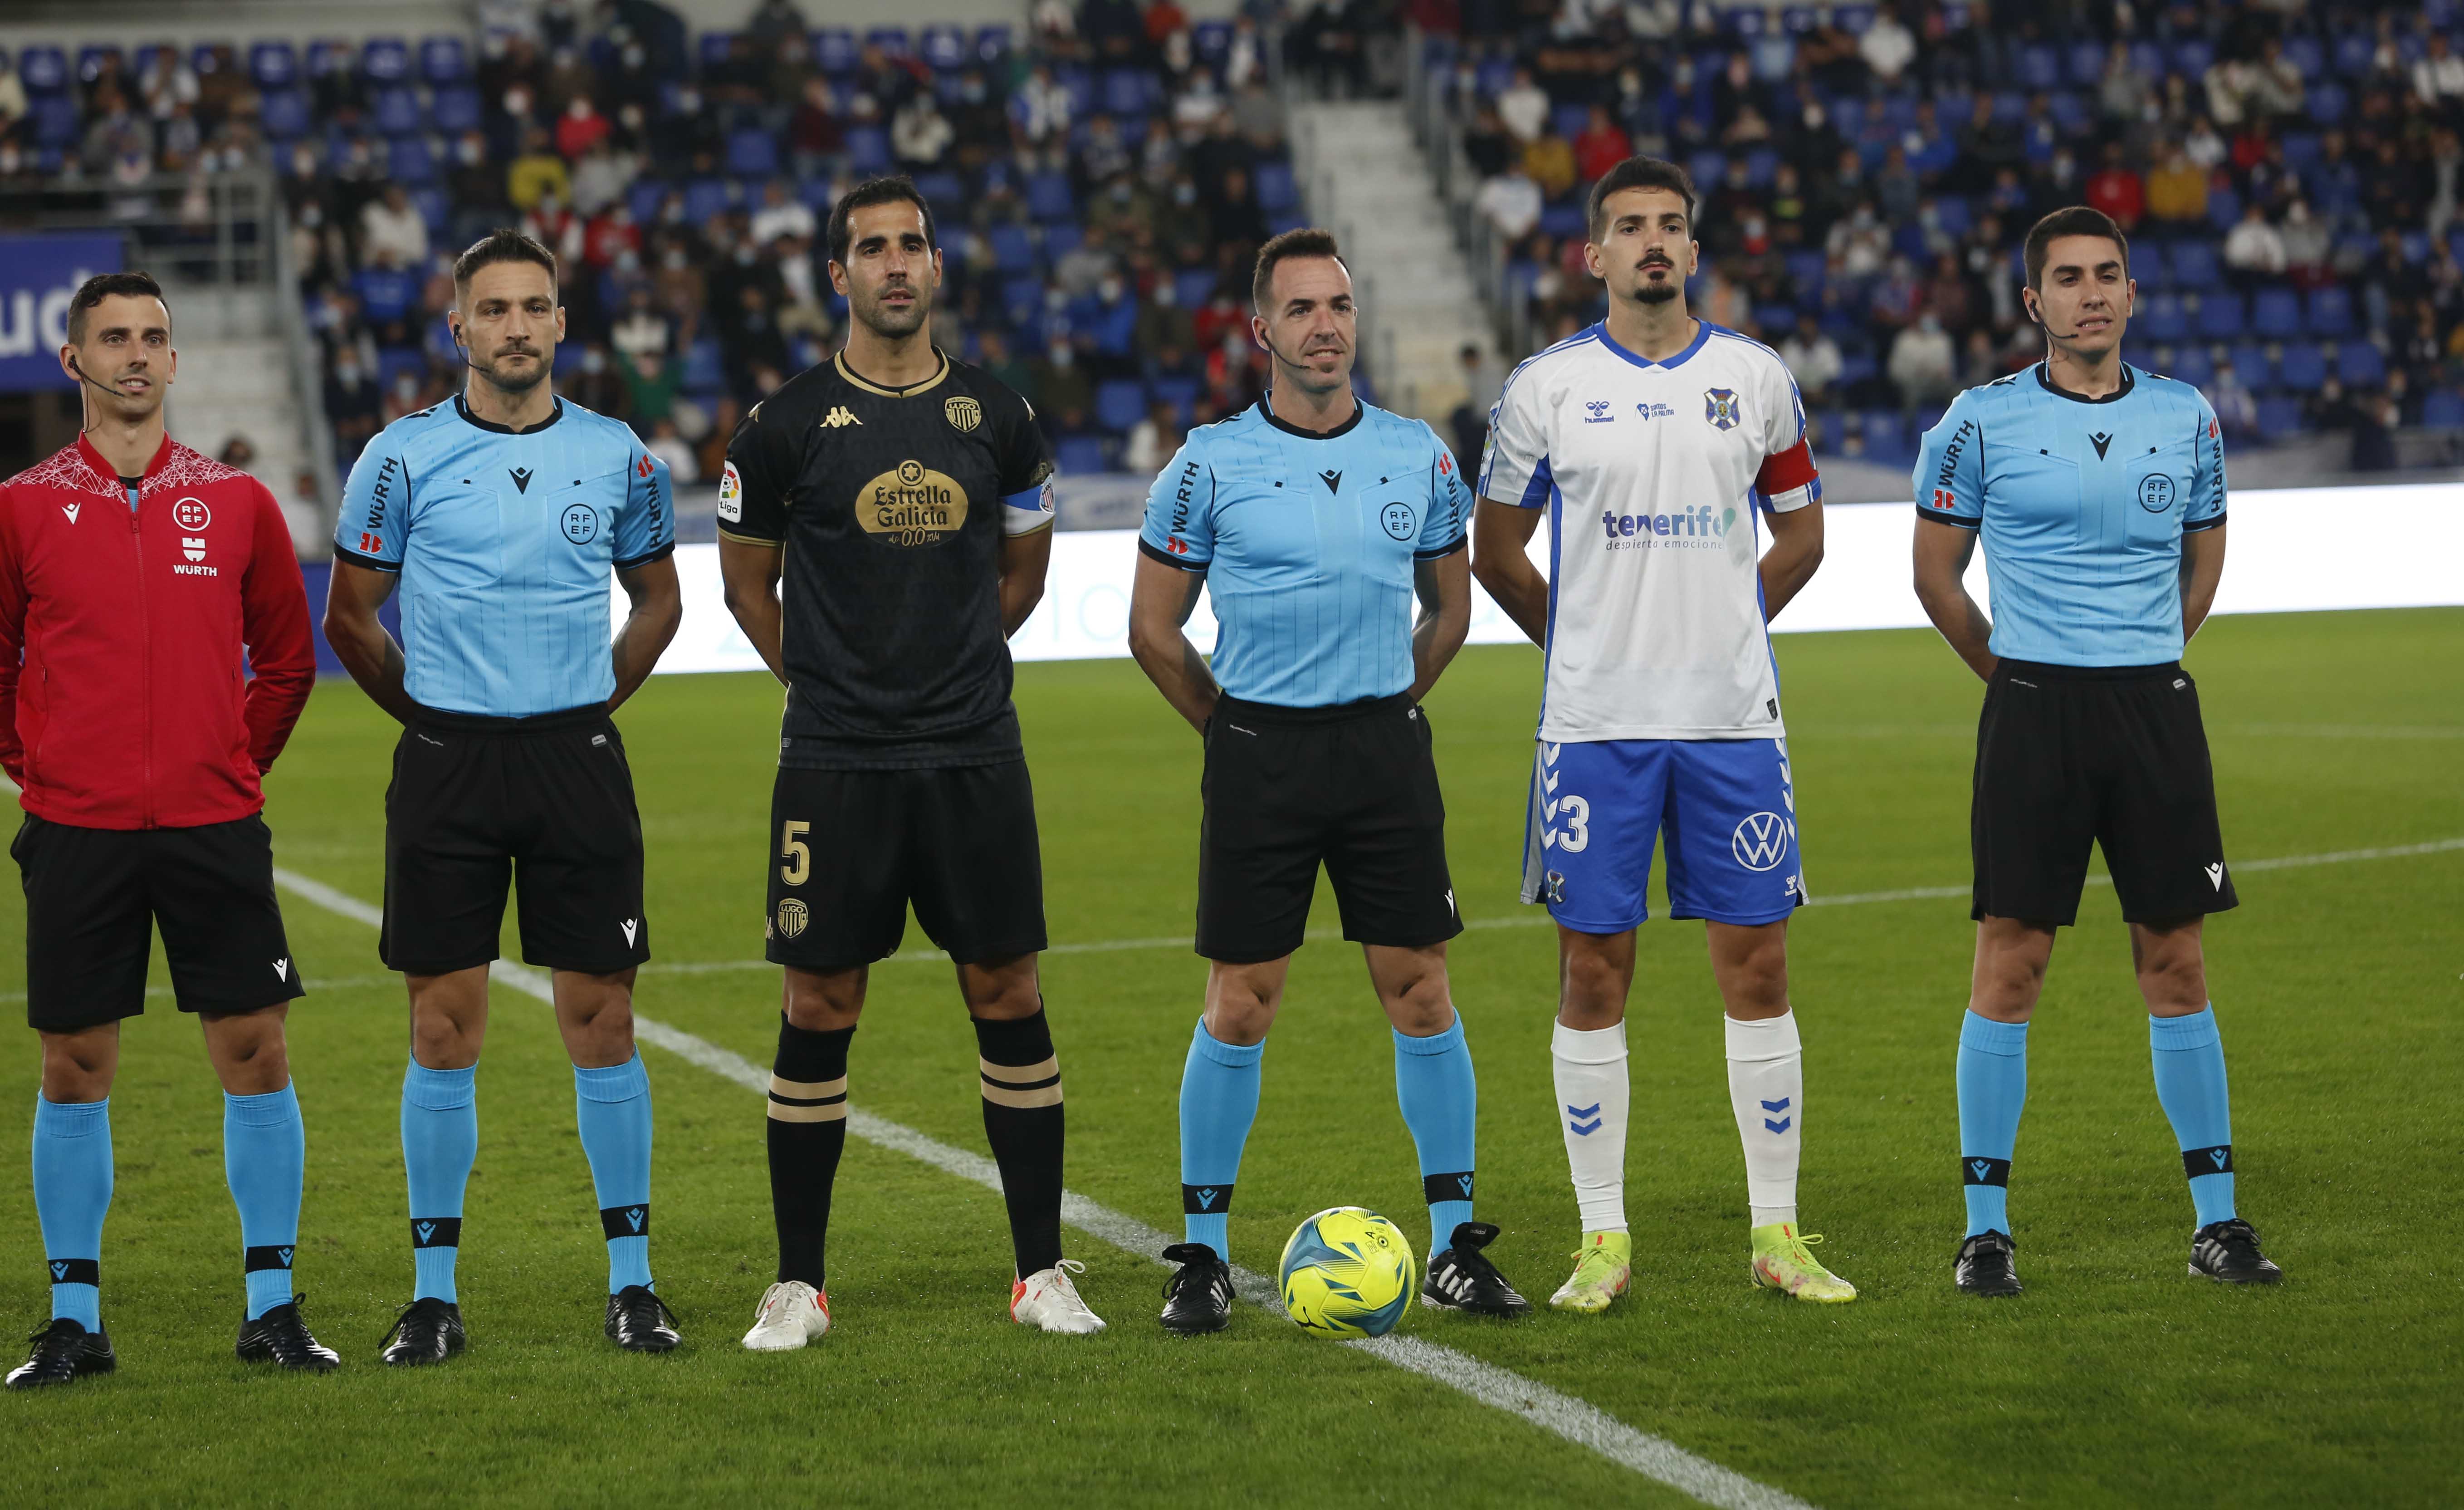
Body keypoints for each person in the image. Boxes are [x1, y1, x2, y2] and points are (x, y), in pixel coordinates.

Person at [717, 176, 1100, 1350]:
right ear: (838, 275)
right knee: (819, 999)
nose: (894, 264)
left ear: (937, 270)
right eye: (871, 248)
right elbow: (745, 585)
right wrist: (835, 684)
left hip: (974, 753)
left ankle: (1041, 1272)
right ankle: (799, 1284)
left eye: (913, 245)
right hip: (835, 764)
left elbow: (1026, 571)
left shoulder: (1001, 416)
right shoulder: (782, 429)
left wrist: (954, 662)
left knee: (1009, 993)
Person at [1469, 157, 1853, 1313]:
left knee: (1760, 964)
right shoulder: (1545, 388)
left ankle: (1776, 1230)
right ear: (1591, 255)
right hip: (1596, 731)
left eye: (1671, 227)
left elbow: (1802, 537)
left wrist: (1724, 630)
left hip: (1733, 723)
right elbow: (1496, 549)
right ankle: (1602, 1235)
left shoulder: (1756, 379)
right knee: (1594, 969)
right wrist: (1581, 643)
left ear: (1693, 253)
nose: (1651, 243)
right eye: (1629, 227)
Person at [1129, 227, 1525, 1336]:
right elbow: (1152, 630)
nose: (1324, 327)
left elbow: (1450, 607)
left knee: (1423, 990)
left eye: (1338, 307)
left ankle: (1454, 1244)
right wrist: (1231, 729)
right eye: (1300, 309)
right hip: (1261, 752)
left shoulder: (1418, 454)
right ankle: (1201, 1254)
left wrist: (1396, 700)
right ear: (1261, 329)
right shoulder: (1207, 461)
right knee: (1241, 1001)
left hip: (1382, 753)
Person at [323, 230, 685, 1363]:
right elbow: (350, 613)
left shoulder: (620, 454)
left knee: (604, 1021)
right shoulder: (399, 456)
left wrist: (587, 705)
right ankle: (434, 1293)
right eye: (494, 310)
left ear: (562, 324)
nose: (516, 328)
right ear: (459, 328)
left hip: (577, 760)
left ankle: (633, 1282)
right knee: (442, 1027)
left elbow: (658, 601)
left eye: (535, 307)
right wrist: (434, 719)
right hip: (449, 767)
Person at [1911, 206, 2278, 1296]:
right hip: (2033, 709)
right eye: (2067, 278)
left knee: (2175, 959)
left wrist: (2147, 652)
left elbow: (2204, 557)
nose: (2090, 293)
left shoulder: (2186, 415)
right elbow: (1936, 580)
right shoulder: (1979, 422)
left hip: (2153, 712)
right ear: (2034, 303)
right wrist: (2017, 678)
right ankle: (1987, 1228)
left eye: (2107, 275)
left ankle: (2216, 1221)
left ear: (2130, 293)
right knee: (2010, 960)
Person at [0, 272, 327, 1385]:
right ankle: (74, 1322)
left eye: (154, 337)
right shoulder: (24, 505)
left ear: (175, 361)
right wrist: (41, 769)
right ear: (75, 360)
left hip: (213, 823)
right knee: (74, 1064)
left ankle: (273, 1308)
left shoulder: (235, 502)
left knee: (255, 1051)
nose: (137, 355)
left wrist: (231, 764)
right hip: (78, 827)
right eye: (114, 338)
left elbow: (289, 659)